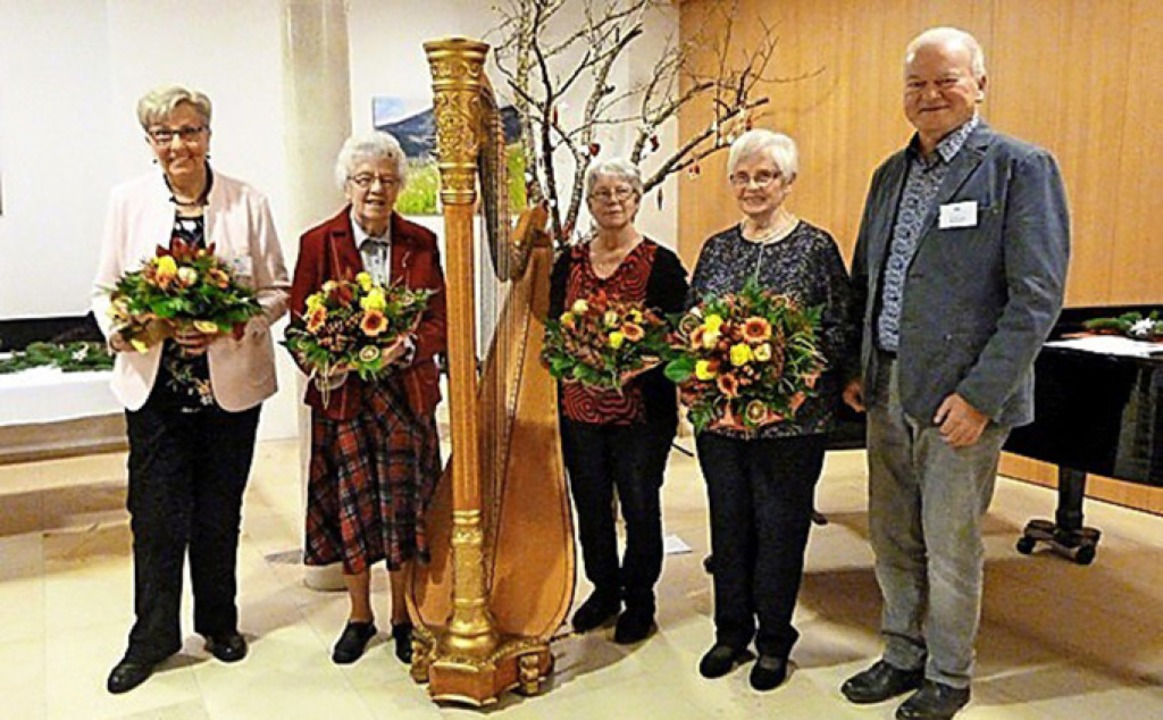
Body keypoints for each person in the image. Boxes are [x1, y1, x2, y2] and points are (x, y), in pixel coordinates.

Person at [840, 27, 1069, 720]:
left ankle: (947, 672)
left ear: (979, 84)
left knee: (950, 547)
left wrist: (979, 397)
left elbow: (1036, 298)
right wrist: (857, 366)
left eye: (946, 80)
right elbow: (866, 278)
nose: (930, 94)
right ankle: (900, 652)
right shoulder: (889, 173)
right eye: (916, 83)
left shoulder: (1019, 167)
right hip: (886, 387)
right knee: (891, 537)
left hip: (960, 401)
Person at [92, 85, 290, 694]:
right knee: (155, 518)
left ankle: (218, 622)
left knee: (218, 512)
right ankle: (152, 637)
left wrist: (233, 324)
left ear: (208, 134)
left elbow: (277, 289)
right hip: (154, 390)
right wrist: (126, 329)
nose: (178, 144)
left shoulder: (247, 202)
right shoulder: (127, 201)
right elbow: (105, 291)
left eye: (189, 131)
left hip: (228, 389)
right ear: (150, 142)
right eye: (165, 134)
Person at [688, 129, 854, 691]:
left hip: (793, 423)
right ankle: (730, 632)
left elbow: (839, 325)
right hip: (721, 422)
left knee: (781, 529)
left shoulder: (815, 248)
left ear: (788, 181)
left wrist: (787, 372)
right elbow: (693, 323)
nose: (752, 186)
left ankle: (775, 640)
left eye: (765, 176)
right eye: (742, 177)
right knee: (729, 525)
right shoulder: (716, 249)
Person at [289, 131, 447, 666]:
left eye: (386, 179)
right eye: (364, 179)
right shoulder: (319, 242)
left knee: (404, 511)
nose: (376, 189)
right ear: (347, 185)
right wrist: (326, 362)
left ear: (400, 186)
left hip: (404, 395)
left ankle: (403, 616)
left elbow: (439, 320)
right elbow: (298, 327)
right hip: (346, 400)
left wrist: (409, 346)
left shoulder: (421, 242)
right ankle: (360, 617)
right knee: (352, 509)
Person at [548, 159, 688, 644]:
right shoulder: (568, 263)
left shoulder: (661, 263)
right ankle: (604, 590)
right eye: (602, 193)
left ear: (637, 198)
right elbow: (554, 328)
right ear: (589, 203)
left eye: (622, 192)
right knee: (590, 504)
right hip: (579, 408)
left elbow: (677, 334)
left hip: (641, 413)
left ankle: (640, 599)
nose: (612, 200)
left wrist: (635, 365)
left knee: (639, 503)